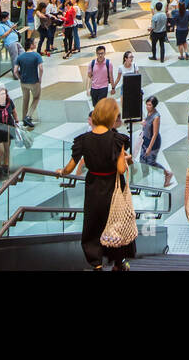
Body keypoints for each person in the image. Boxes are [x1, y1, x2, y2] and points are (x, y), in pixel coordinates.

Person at [56, 97, 134, 270]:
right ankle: (118, 262)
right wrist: (127, 159)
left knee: (93, 224)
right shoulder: (117, 139)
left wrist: (61, 172)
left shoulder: (83, 140)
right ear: (112, 117)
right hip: (113, 187)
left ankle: (96, 263)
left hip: (93, 186)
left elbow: (70, 167)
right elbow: (121, 169)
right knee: (115, 223)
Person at [140, 96, 175, 188]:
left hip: (153, 142)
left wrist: (149, 148)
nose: (147, 106)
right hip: (145, 140)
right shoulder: (148, 113)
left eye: (149, 105)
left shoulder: (156, 117)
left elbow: (155, 134)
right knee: (142, 160)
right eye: (147, 104)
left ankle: (167, 173)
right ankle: (145, 180)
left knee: (151, 162)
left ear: (154, 106)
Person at [13, 37, 44, 128]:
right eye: (34, 43)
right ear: (31, 45)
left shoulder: (20, 57)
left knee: (25, 100)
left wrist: (20, 77)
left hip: (24, 82)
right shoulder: (36, 55)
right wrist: (40, 78)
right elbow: (41, 68)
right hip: (34, 81)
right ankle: (28, 116)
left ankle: (23, 118)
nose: (35, 44)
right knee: (36, 98)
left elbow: (15, 71)